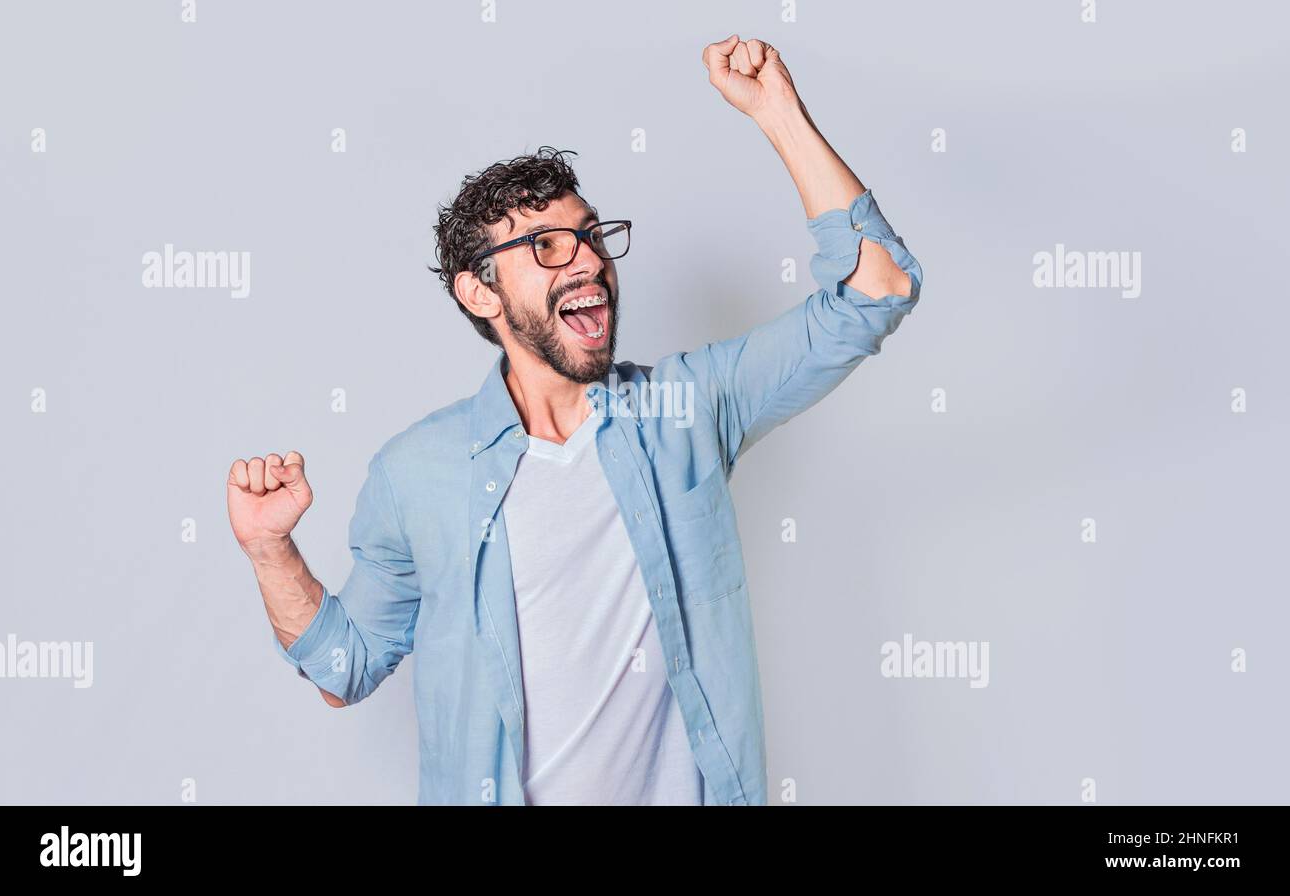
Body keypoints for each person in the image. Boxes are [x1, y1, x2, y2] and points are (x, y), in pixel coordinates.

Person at [226, 35, 923, 805]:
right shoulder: (416, 473)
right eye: (547, 248)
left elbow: (876, 290)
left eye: (591, 237)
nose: (587, 261)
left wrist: (778, 113)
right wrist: (269, 550)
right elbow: (342, 672)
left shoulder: (682, 413)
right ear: (479, 294)